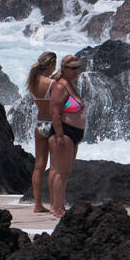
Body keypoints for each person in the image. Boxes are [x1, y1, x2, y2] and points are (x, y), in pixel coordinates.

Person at [47, 54, 86, 218]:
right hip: (63, 132)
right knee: (60, 172)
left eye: (78, 67)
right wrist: (60, 135)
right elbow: (54, 112)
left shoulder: (70, 85)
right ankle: (56, 208)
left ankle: (60, 205)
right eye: (73, 68)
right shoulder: (60, 87)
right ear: (64, 69)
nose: (77, 71)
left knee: (65, 171)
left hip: (73, 133)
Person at [25, 51, 58, 213]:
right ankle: (53, 204)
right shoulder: (51, 84)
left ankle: (37, 204)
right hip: (53, 125)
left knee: (39, 166)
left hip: (40, 124)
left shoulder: (32, 83)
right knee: (54, 167)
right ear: (51, 65)